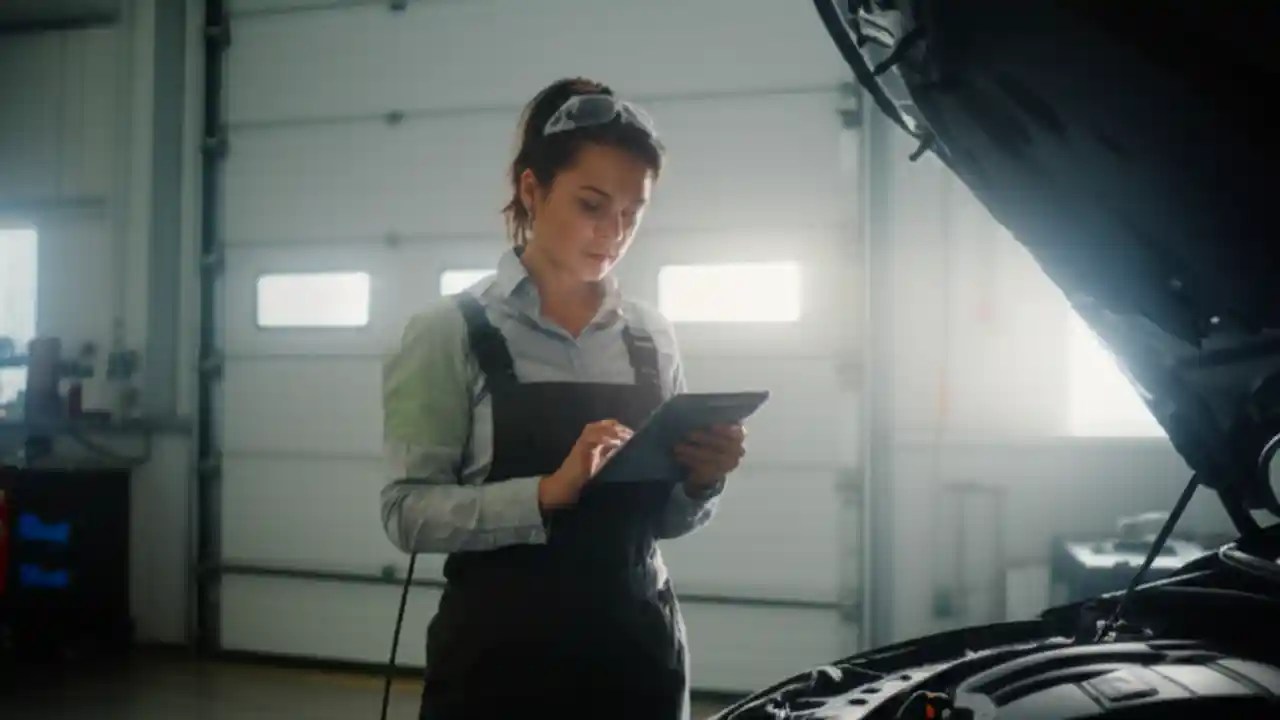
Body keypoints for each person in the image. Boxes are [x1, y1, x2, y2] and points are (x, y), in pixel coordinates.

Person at [380, 77, 750, 720]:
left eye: (632, 213)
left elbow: (660, 523)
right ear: (532, 189)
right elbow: (407, 514)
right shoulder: (450, 332)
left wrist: (701, 483)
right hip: (499, 671)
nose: (613, 232)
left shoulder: (651, 337)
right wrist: (546, 492)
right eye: (591, 204)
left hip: (638, 662)